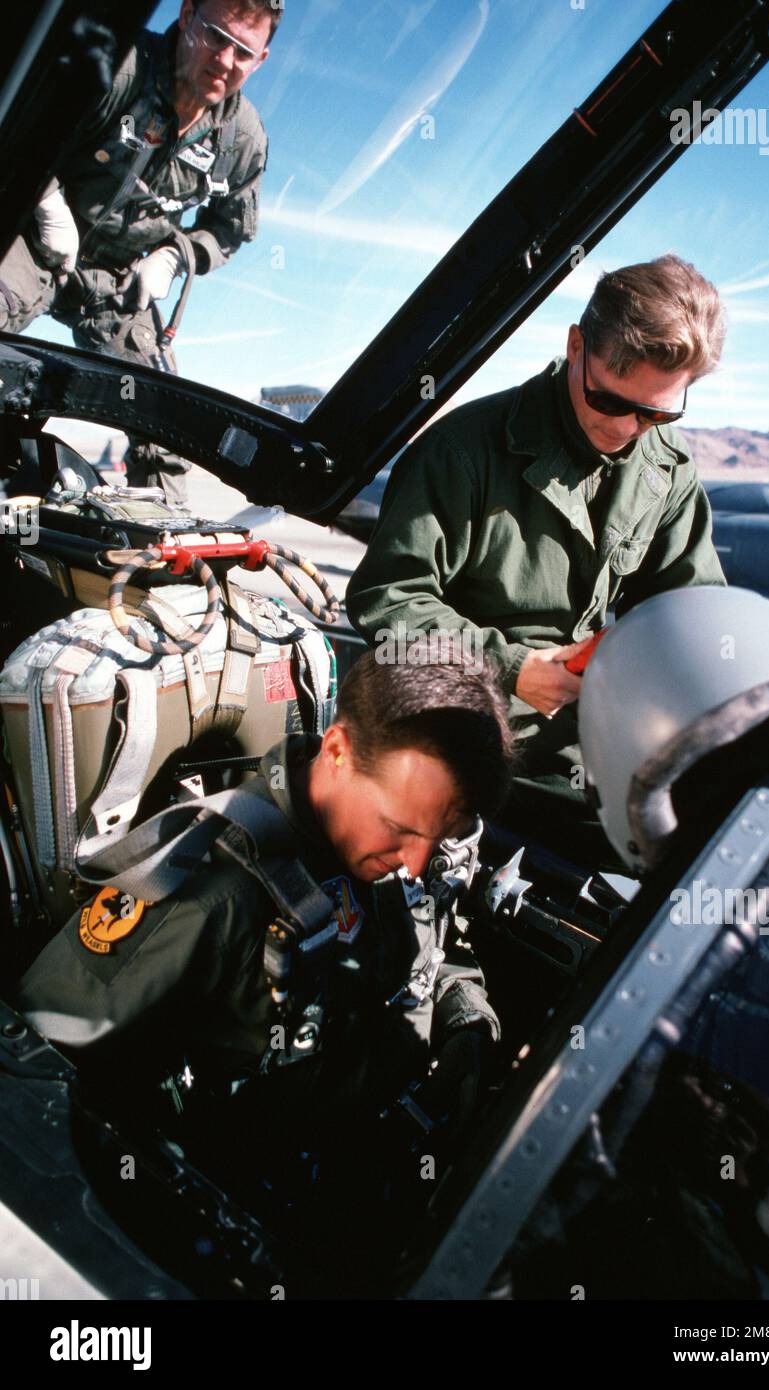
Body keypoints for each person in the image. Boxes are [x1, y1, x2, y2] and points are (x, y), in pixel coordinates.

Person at [15, 652, 514, 1161]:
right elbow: (33, 1068)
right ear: (338, 752)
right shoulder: (209, 890)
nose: (414, 863)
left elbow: (432, 946)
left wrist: (465, 1022)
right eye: (401, 830)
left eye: (441, 836)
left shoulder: (402, 837)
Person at [346, 255, 728, 868]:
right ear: (575, 346)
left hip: (605, 744)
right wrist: (512, 666)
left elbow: (694, 614)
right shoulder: (462, 452)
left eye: (657, 413)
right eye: (611, 401)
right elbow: (387, 599)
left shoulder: (668, 471)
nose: (631, 428)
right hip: (474, 740)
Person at [0, 0, 278, 503]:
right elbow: (18, 121)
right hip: (42, 242)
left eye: (243, 51)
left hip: (120, 281)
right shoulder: (119, 67)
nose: (225, 59)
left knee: (162, 418)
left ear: (260, 60)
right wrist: (45, 202)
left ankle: (156, 552)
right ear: (187, 14)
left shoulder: (242, 140)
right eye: (216, 35)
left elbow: (229, 230)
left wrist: (173, 258)